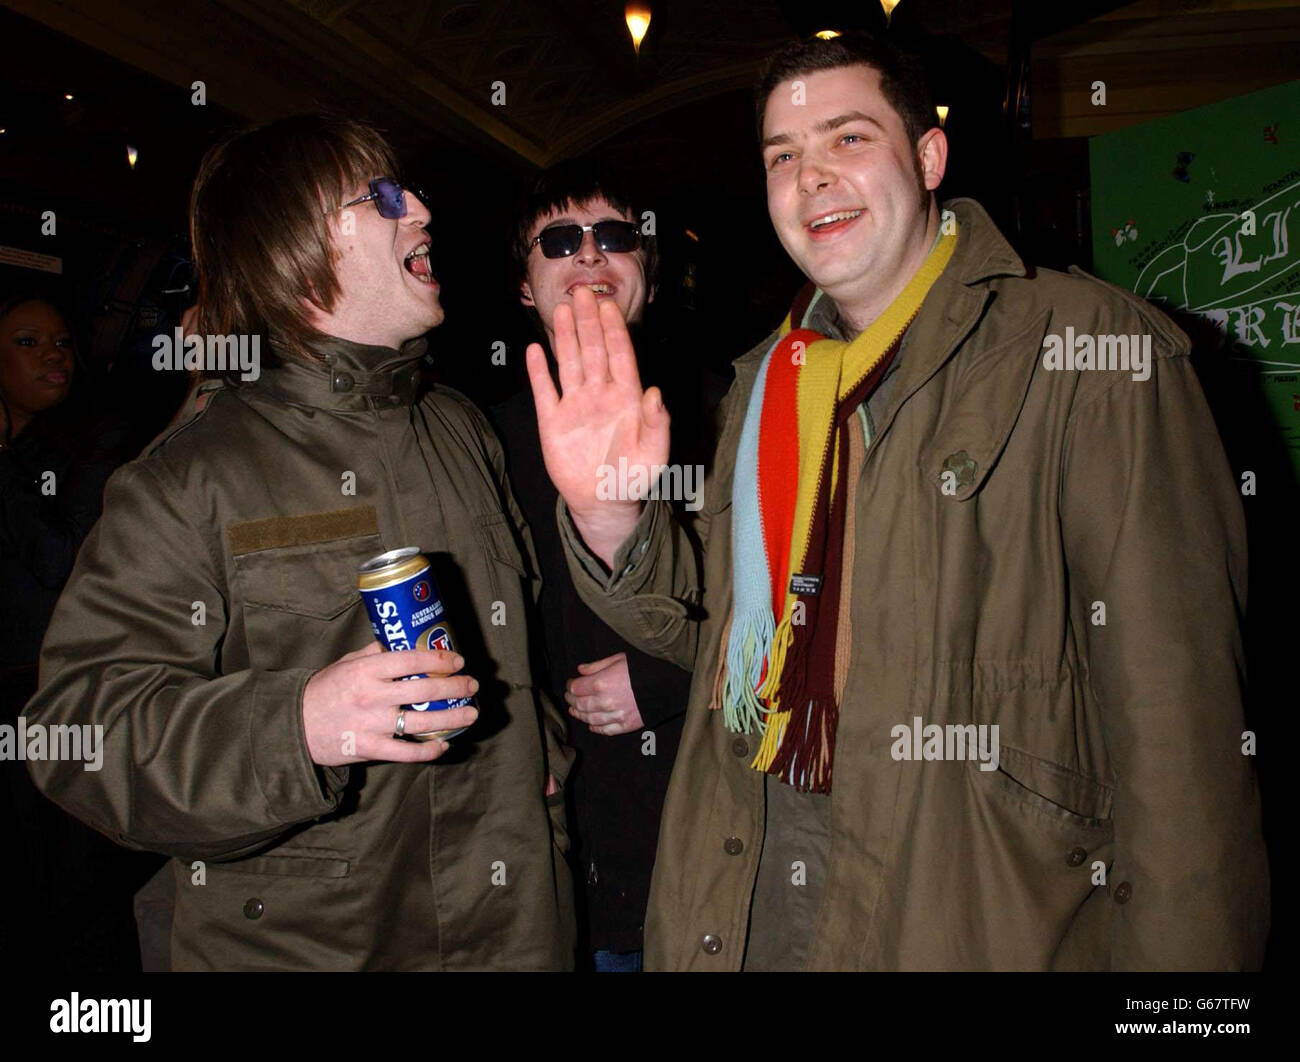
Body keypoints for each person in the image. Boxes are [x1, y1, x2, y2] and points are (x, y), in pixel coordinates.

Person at [527, 32, 1269, 970]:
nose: (811, 179)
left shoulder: (1086, 350)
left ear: (927, 158)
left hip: (971, 916)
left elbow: (1184, 743)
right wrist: (611, 516)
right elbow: (720, 640)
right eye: (782, 157)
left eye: (847, 140)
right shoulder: (769, 382)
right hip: (751, 897)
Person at [24, 114, 574, 971]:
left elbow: (519, 630)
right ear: (295, 243)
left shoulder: (458, 425)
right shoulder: (193, 474)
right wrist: (296, 726)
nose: (422, 210)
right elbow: (76, 730)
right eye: (386, 195)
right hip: (315, 947)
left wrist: (543, 751)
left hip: (515, 936)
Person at [490, 163, 719, 971]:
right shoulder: (470, 440)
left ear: (648, 281)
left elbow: (804, 604)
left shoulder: (728, 414)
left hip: (703, 826)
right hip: (555, 843)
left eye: (615, 237)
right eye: (559, 240)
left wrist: (667, 681)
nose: (589, 254)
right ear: (525, 285)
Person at [0, 293, 154, 971]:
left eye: (60, 342)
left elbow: (58, 562)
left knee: (80, 897)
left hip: (63, 696)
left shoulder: (97, 440)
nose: (53, 355)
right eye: (29, 343)